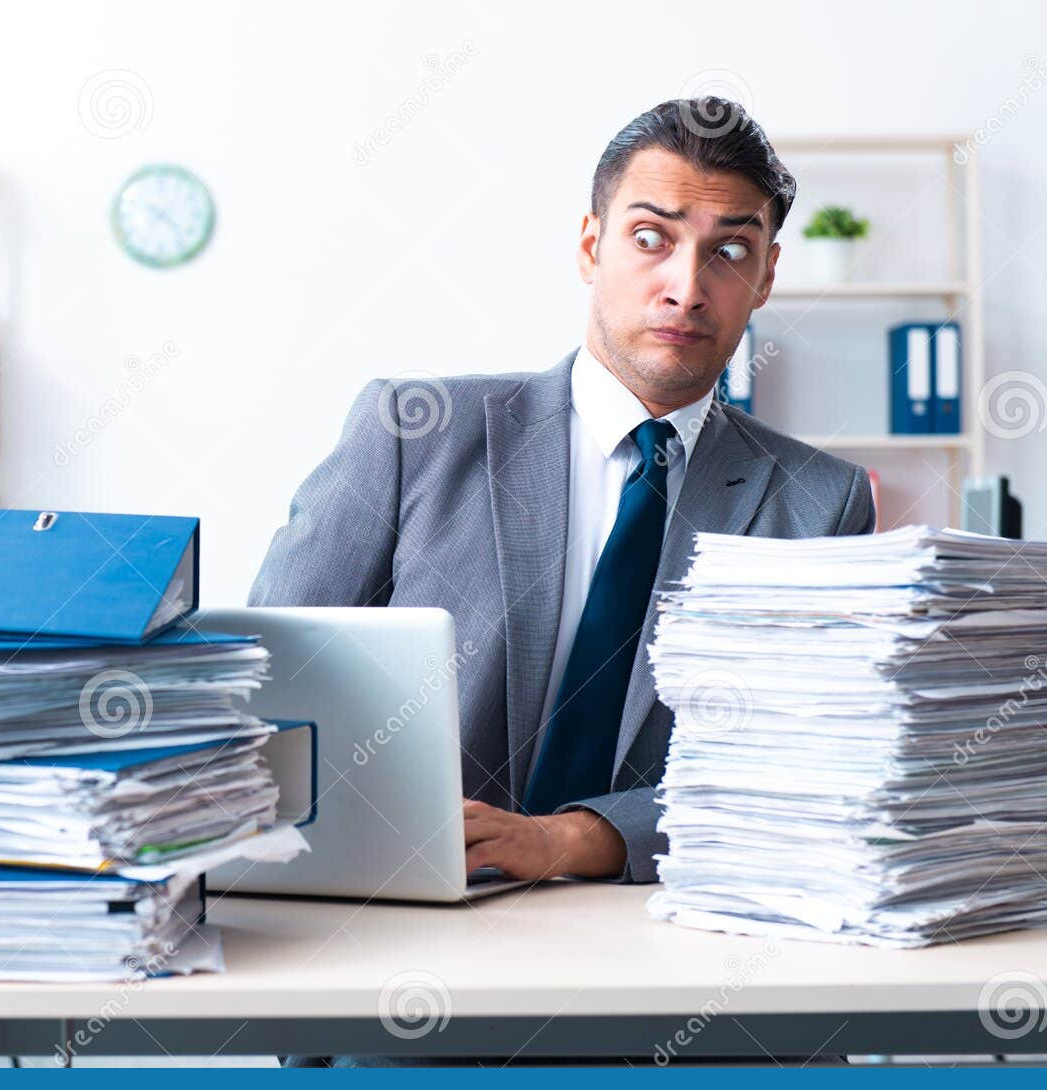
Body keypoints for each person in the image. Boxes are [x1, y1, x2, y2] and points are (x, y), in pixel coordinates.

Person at [250, 97, 875, 890]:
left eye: (729, 251)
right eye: (652, 239)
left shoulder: (822, 505)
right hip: (386, 905)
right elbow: (262, 693)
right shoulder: (413, 434)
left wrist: (574, 841)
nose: (686, 287)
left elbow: (804, 775)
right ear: (591, 246)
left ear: (766, 278)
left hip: (664, 928)